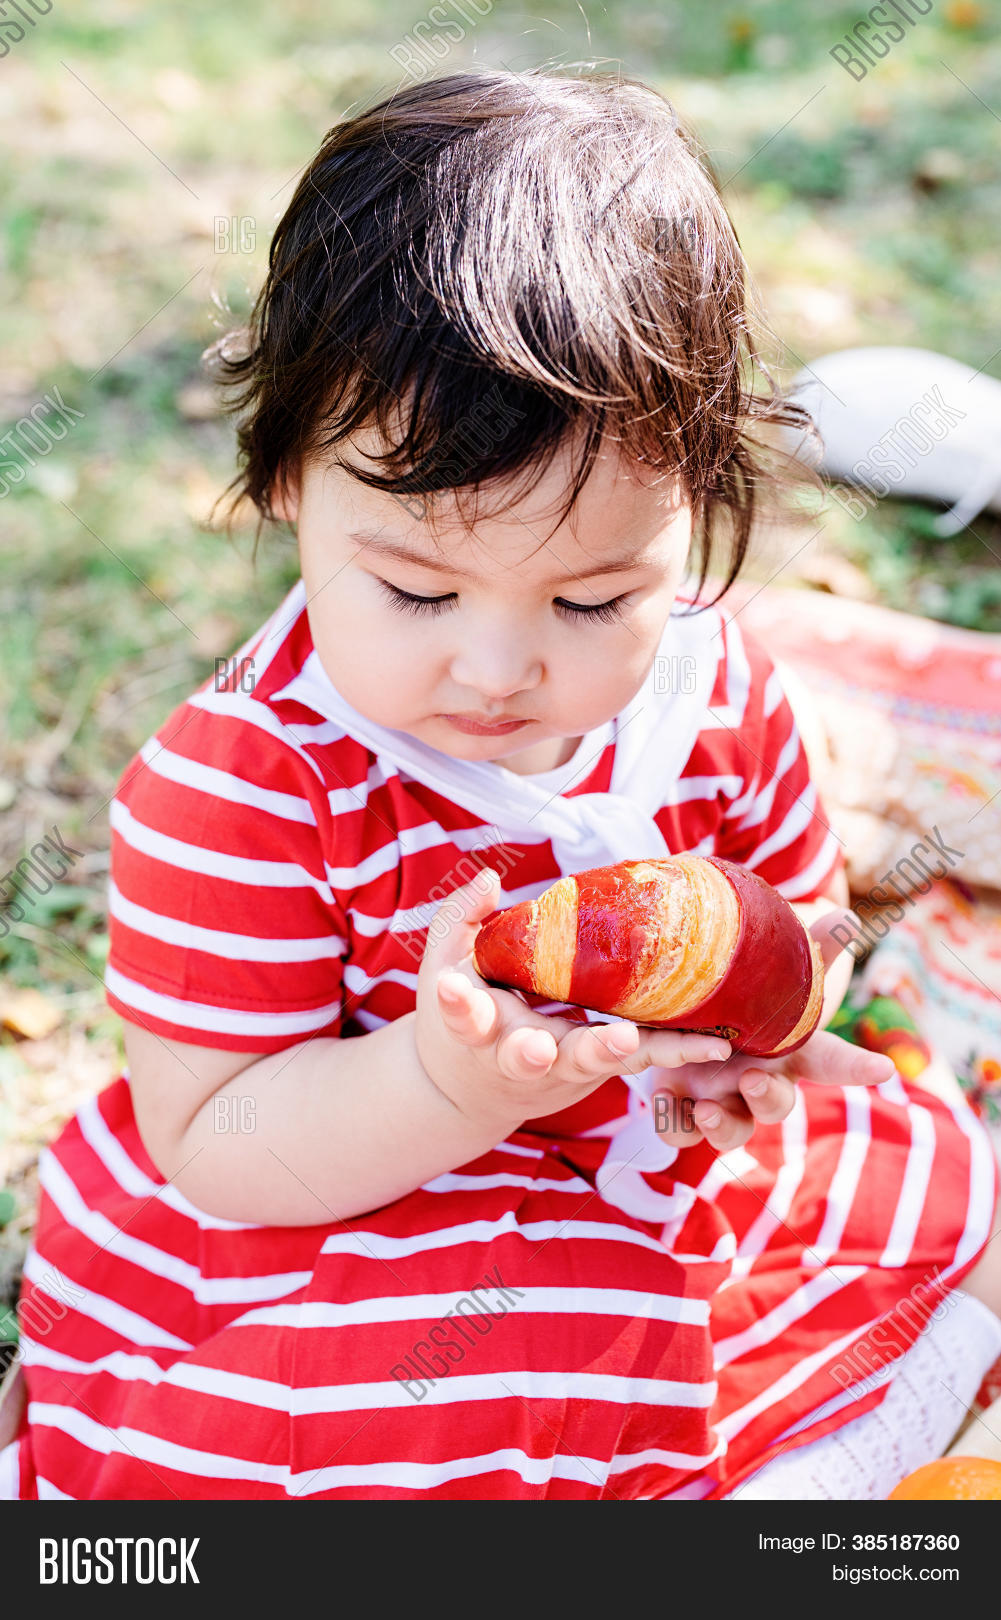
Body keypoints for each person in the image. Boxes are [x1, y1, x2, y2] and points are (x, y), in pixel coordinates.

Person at [4, 67, 999, 1501]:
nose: (496, 667)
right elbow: (221, 1138)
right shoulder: (242, 787)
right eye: (414, 588)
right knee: (404, 1416)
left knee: (941, 1192)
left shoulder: (715, 688)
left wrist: (767, 1036)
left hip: (662, 1174)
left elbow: (789, 914)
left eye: (592, 601)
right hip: (370, 1209)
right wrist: (441, 1080)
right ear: (286, 480)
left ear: (696, 513)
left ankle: (827, 1440)